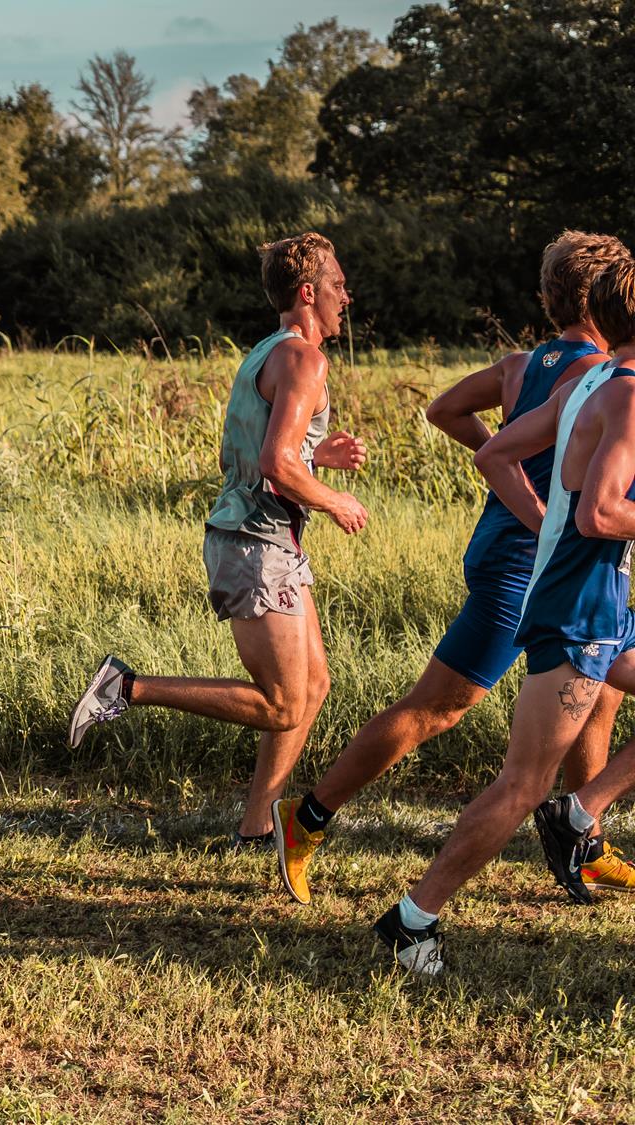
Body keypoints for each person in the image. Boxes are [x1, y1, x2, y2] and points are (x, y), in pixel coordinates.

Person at [272, 232, 634, 904]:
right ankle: (307, 817)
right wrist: (540, 514)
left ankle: (584, 836)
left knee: (602, 686)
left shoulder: (524, 363)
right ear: (605, 301)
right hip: (525, 563)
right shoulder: (597, 376)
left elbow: (444, 410)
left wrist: (516, 477)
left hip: (514, 549)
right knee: (438, 707)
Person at [377, 257, 635, 975]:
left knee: (539, 786)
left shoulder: (591, 382)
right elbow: (604, 509)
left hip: (590, 597)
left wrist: (546, 522)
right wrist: (565, 521)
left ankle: (581, 812)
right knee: (523, 782)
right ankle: (412, 919)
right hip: (580, 607)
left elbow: (494, 451)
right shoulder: (627, 397)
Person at [68, 233, 368, 846]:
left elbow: (273, 455)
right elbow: (276, 465)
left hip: (259, 538)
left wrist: (319, 456)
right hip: (258, 545)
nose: (347, 295)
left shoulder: (267, 351)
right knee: (284, 704)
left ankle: (257, 826)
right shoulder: (306, 361)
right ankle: (126, 686)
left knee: (313, 687)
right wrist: (333, 498)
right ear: (308, 293)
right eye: (337, 285)